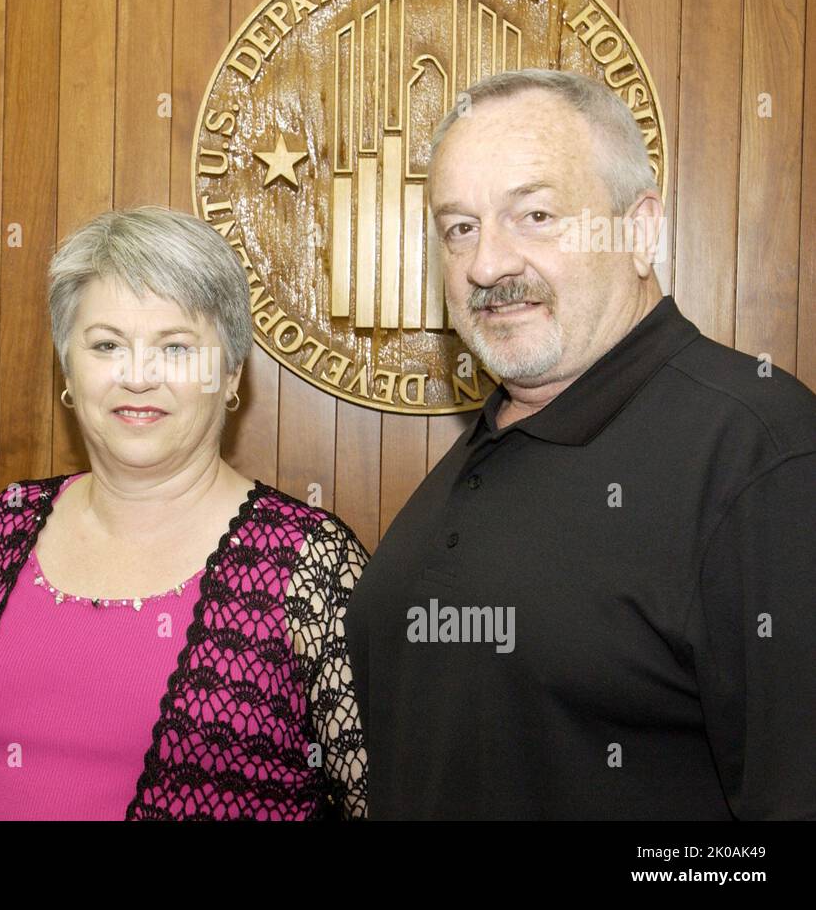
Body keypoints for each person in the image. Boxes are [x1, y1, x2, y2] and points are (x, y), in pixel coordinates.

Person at [346, 68, 816, 819]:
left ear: (639, 230)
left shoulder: (759, 452)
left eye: (533, 214)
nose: (487, 264)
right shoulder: (487, 441)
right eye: (459, 227)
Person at [0, 206, 368, 820]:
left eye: (176, 347)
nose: (138, 376)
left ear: (231, 372)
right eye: (107, 344)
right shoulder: (1, 528)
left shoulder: (308, 562)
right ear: (68, 366)